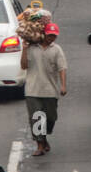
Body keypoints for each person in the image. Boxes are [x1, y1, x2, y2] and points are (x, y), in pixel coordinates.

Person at [20, 22, 67, 156]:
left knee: (50, 118)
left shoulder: (56, 49)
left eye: (54, 36)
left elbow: (62, 68)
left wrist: (63, 85)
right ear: (43, 34)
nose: (51, 38)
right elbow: (24, 66)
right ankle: (40, 145)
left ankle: (44, 138)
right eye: (49, 35)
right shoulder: (31, 48)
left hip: (50, 91)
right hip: (32, 90)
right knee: (36, 118)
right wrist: (24, 49)